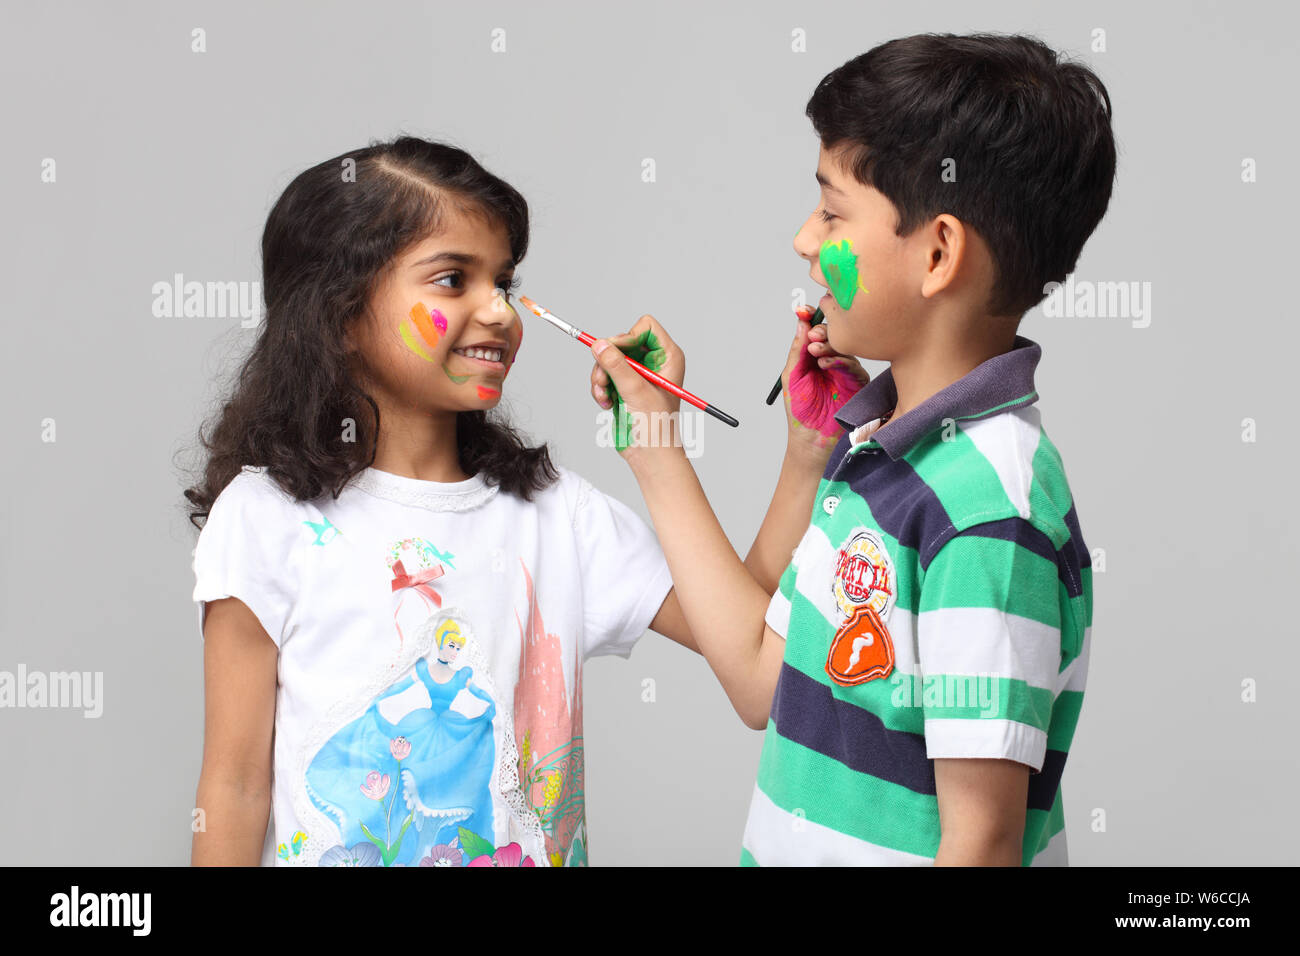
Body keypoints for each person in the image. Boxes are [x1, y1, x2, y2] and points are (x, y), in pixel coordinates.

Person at [587, 33, 1112, 865]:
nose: (804, 239)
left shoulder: (987, 513)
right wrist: (657, 440)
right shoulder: (878, 452)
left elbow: (982, 844)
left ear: (938, 253)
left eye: (831, 212)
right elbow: (761, 678)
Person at [184, 136, 697, 867]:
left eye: (505, 282)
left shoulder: (557, 515)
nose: (500, 311)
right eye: (454, 279)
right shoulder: (264, 519)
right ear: (341, 313)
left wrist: (803, 453)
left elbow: (753, 637)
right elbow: (233, 788)